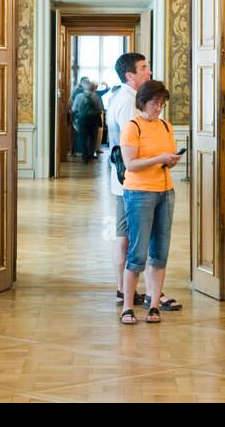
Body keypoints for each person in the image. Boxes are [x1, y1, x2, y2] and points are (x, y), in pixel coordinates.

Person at [107, 54, 182, 314]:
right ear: (130, 75)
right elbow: (133, 157)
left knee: (136, 240)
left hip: (156, 187)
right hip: (135, 186)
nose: (148, 72)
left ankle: (138, 293)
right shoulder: (130, 108)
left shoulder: (163, 124)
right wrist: (159, 159)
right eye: (144, 68)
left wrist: (166, 161)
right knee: (133, 243)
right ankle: (136, 296)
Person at [69, 78, 103, 163]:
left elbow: (73, 109)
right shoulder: (95, 96)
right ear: (92, 88)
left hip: (82, 119)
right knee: (93, 138)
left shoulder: (79, 96)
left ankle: (84, 157)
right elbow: (100, 109)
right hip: (93, 119)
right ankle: (91, 155)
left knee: (83, 137)